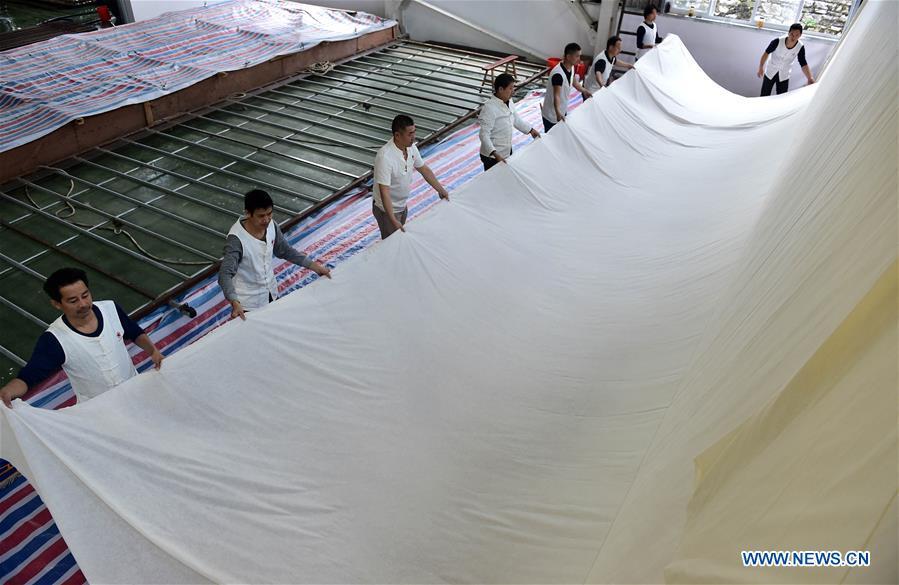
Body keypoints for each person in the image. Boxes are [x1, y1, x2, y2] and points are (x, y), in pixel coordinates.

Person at [0, 268, 163, 407]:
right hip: (97, 409)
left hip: (134, 390)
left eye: (85, 295)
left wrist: (153, 351)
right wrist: (8, 392)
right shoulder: (55, 339)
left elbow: (135, 333)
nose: (83, 304)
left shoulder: (110, 309)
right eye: (73, 301)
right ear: (57, 304)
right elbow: (29, 377)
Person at [219, 189, 331, 320]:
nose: (266, 219)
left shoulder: (272, 225)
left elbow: (285, 250)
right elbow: (225, 274)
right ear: (248, 213)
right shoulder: (236, 240)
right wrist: (234, 302)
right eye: (261, 216)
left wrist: (315, 267)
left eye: (269, 214)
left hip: (271, 293)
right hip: (247, 303)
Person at [372, 114, 450, 239]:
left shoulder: (411, 147)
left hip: (402, 205)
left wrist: (441, 190)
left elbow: (424, 169)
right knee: (393, 243)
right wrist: (392, 220)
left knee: (400, 238)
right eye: (409, 134)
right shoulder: (385, 157)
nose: (413, 137)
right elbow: (384, 192)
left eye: (414, 132)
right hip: (387, 211)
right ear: (397, 135)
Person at [478, 73, 541, 171]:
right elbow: (484, 135)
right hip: (492, 156)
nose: (513, 91)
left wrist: (531, 130)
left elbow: (516, 119)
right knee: (494, 181)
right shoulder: (489, 108)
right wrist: (495, 153)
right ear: (500, 89)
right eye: (510, 88)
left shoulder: (509, 101)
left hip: (506, 150)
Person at [541, 42, 592, 132]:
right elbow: (556, 95)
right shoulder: (558, 74)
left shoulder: (571, 67)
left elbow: (575, 83)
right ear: (568, 57)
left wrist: (585, 91)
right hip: (552, 114)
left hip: (561, 110)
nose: (579, 59)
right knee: (551, 139)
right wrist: (558, 112)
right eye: (577, 56)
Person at [758, 23, 815, 96]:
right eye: (792, 34)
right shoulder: (777, 41)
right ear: (788, 33)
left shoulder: (800, 47)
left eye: (797, 35)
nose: (793, 37)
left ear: (800, 35)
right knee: (764, 95)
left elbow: (803, 63)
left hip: (784, 75)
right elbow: (766, 53)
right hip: (770, 72)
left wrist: (810, 78)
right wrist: (761, 67)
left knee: (782, 97)